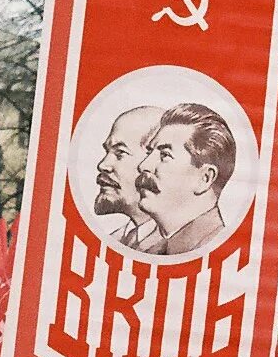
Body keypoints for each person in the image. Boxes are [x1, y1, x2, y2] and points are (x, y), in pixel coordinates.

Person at [134, 103, 236, 255]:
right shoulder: (148, 250)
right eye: (149, 153)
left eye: (165, 155)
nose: (143, 166)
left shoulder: (217, 250)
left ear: (205, 178)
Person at [93, 104, 165, 251]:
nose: (103, 165)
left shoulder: (181, 247)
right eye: (107, 151)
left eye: (120, 153)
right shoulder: (112, 242)